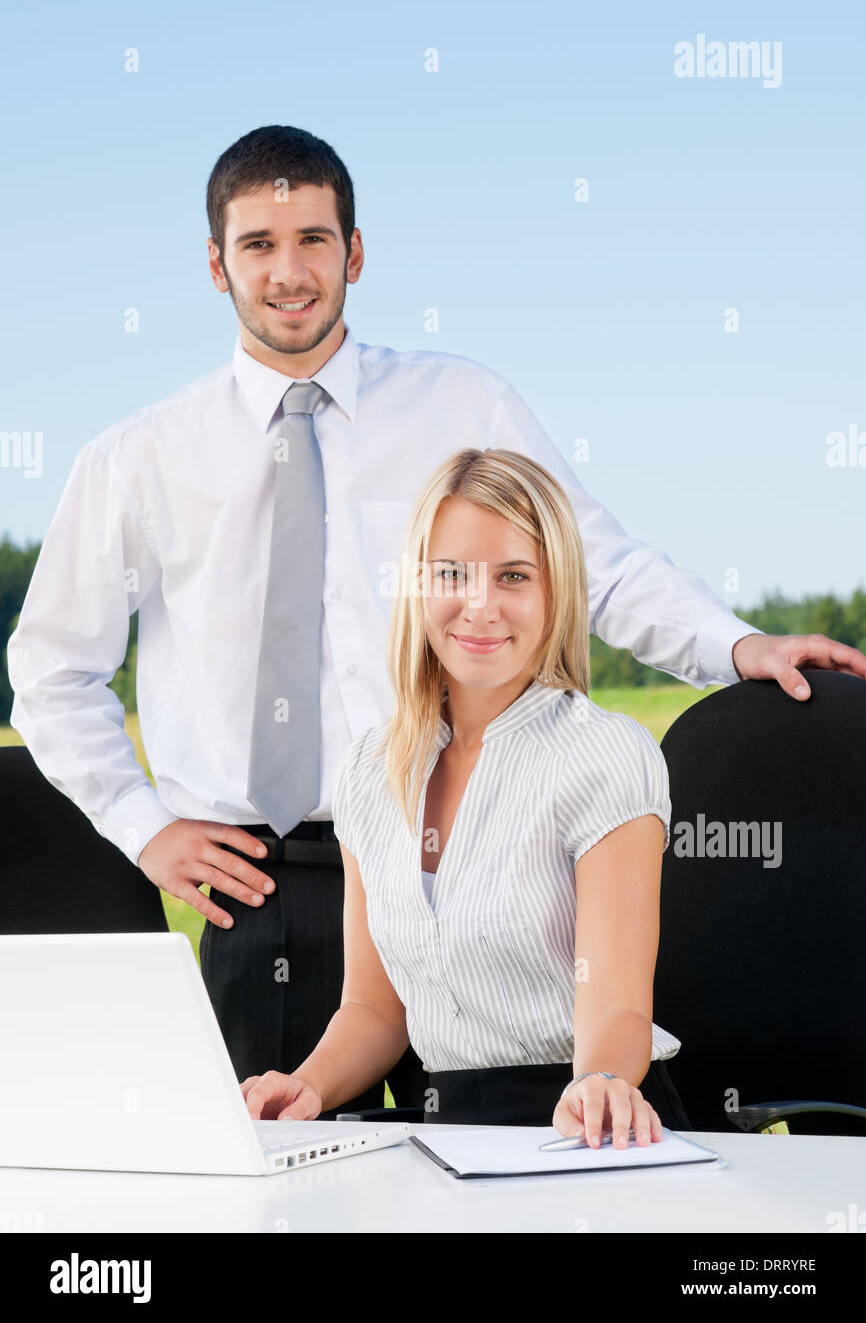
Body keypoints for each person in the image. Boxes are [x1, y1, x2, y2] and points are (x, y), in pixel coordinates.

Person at [8, 124, 866, 1115]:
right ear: (215, 265)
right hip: (259, 892)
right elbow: (51, 669)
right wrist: (144, 825)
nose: (288, 272)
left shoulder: (460, 402)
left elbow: (590, 560)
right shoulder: (134, 460)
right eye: (257, 244)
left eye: (313, 240)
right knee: (277, 1176)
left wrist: (733, 643)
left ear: (354, 252)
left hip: (475, 881)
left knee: (481, 1155)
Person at [241, 447, 690, 1138]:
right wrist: (305, 1086)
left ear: (556, 592)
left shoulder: (606, 755)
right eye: (451, 573)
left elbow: (617, 1007)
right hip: (447, 1126)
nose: (479, 606)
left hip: (589, 1113)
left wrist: (598, 1085)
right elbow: (374, 1009)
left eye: (513, 576)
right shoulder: (369, 769)